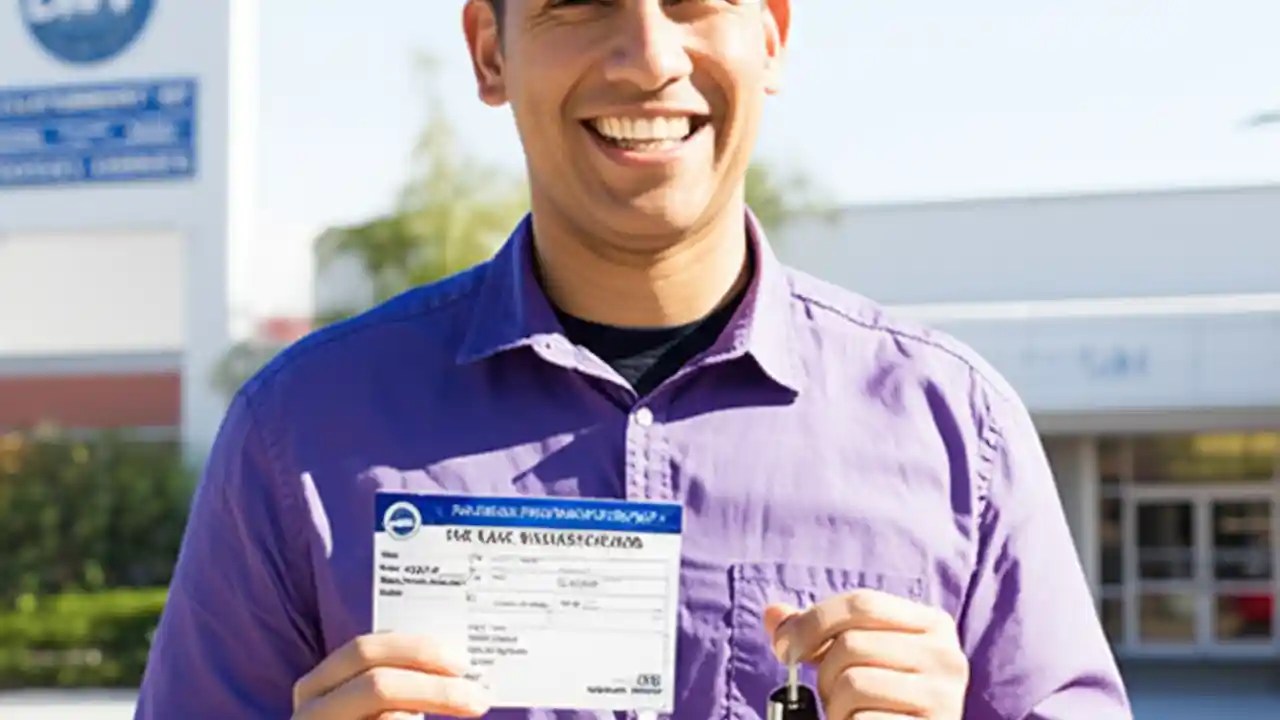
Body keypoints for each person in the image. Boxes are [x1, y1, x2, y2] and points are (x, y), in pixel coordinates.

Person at [135, 1, 1133, 718]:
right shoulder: (299, 430)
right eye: (581, 3)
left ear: (770, 36)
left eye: (695, 3)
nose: (648, 56)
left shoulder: (958, 430)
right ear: (489, 49)